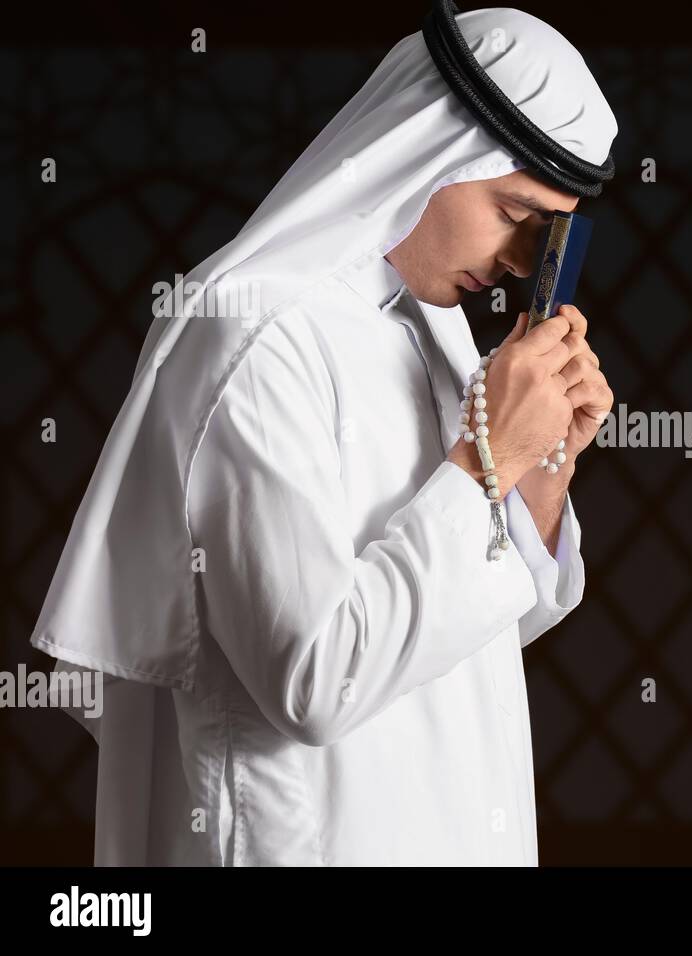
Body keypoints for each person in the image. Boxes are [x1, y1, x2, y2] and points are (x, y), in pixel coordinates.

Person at [29, 6, 617, 865]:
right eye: (512, 212)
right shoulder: (257, 335)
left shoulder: (434, 331)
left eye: (547, 232)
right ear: (427, 147)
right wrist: (486, 462)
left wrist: (535, 478)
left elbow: (452, 644)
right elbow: (316, 679)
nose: (523, 264)